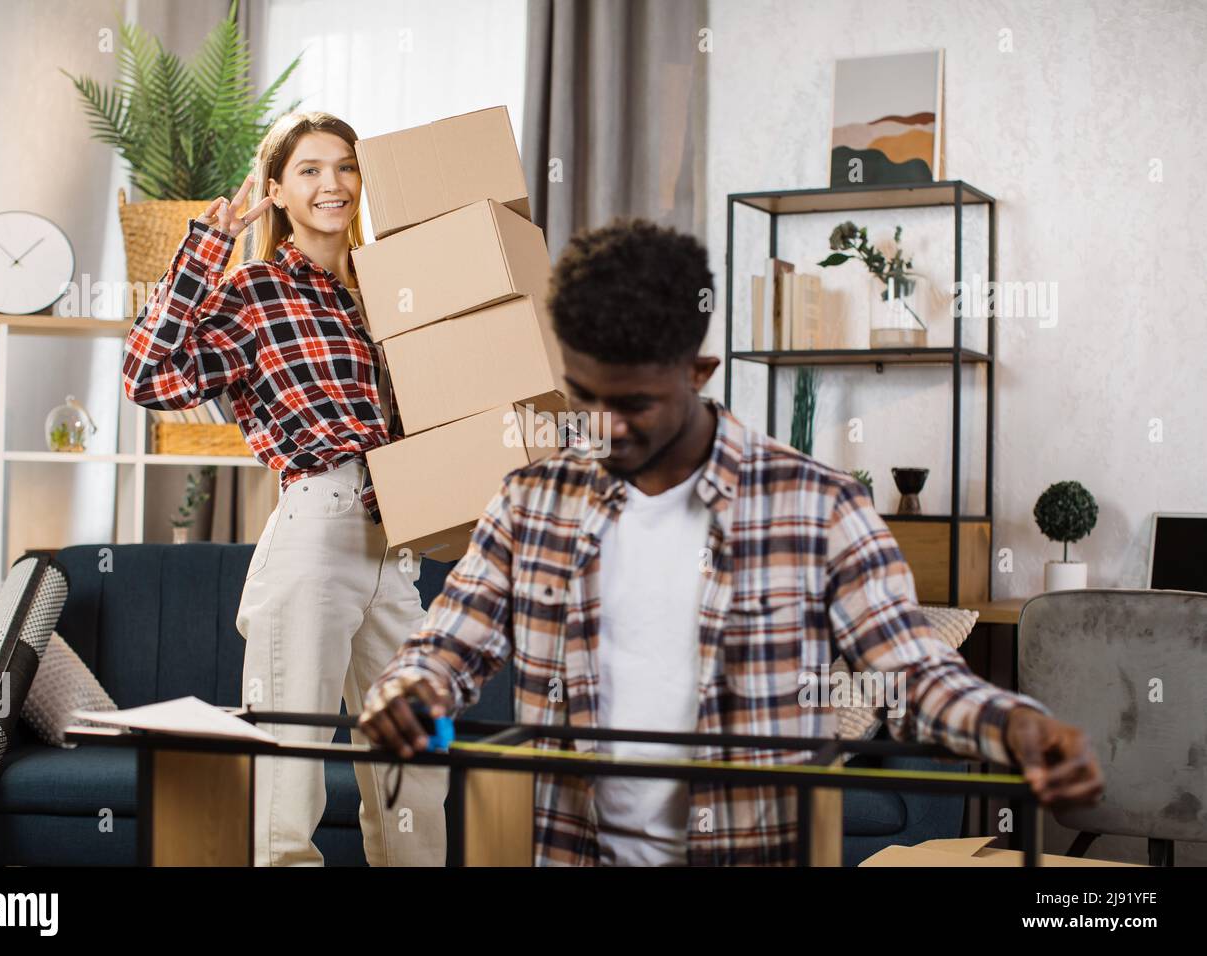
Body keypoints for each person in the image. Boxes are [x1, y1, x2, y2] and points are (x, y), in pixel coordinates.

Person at [358, 217, 1104, 866]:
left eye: (636, 404)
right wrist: (409, 692)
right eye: (585, 398)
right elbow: (446, 648)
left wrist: (1014, 725)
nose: (605, 430)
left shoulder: (817, 507)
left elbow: (908, 671)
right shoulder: (533, 503)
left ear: (699, 372)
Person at [122, 111, 446, 867]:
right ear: (278, 191)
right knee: (290, 767)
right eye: (309, 170)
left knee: (417, 770)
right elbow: (148, 375)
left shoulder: (390, 288)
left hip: (396, 545)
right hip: (316, 531)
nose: (331, 183)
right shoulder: (256, 290)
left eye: (345, 167)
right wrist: (209, 242)